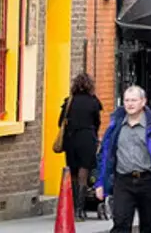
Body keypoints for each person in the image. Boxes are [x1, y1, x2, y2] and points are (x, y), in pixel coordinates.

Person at [95, 84, 151, 233]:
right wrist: (100, 182)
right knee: (120, 224)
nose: (130, 104)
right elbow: (104, 155)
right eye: (126, 100)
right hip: (123, 181)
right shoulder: (115, 127)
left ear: (143, 102)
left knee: (150, 226)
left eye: (134, 100)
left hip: (149, 181)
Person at [58, 72, 103, 220]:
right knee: (84, 173)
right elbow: (97, 122)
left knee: (74, 174)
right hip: (87, 139)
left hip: (71, 139)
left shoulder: (69, 101)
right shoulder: (93, 102)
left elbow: (60, 122)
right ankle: (80, 210)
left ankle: (73, 208)